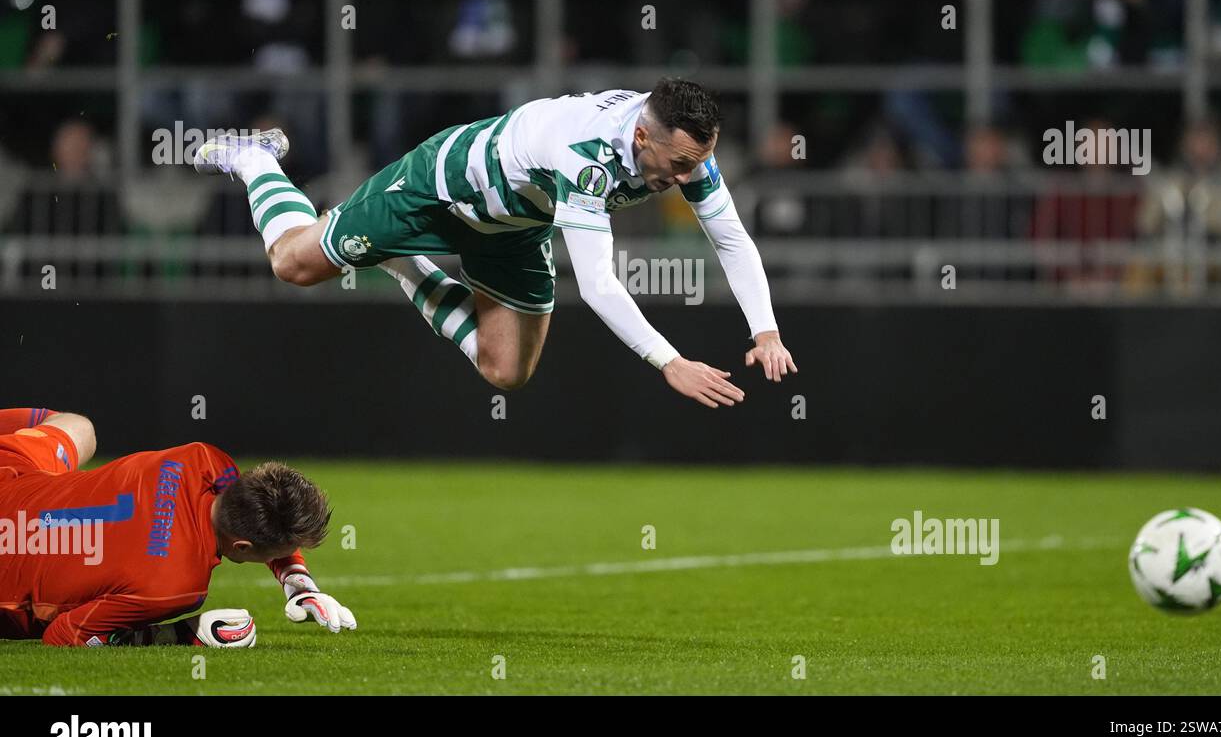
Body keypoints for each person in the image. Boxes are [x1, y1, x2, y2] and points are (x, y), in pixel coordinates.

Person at [192, 78, 797, 409]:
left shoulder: (685, 153)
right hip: (441, 190)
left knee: (507, 373)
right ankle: (255, 159)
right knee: (293, 264)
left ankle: (403, 265)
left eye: (701, 163)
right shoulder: (586, 153)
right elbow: (597, 282)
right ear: (641, 136)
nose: (691, 177)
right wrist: (670, 362)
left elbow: (731, 238)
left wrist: (764, 330)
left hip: (516, 226)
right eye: (682, 163)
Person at [0, 406, 355, 647]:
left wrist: (298, 583)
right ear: (242, 547)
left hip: (9, 476)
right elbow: (64, 635)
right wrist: (181, 633)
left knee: (79, 428)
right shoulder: (177, 587)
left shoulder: (200, 458)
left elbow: (256, 506)